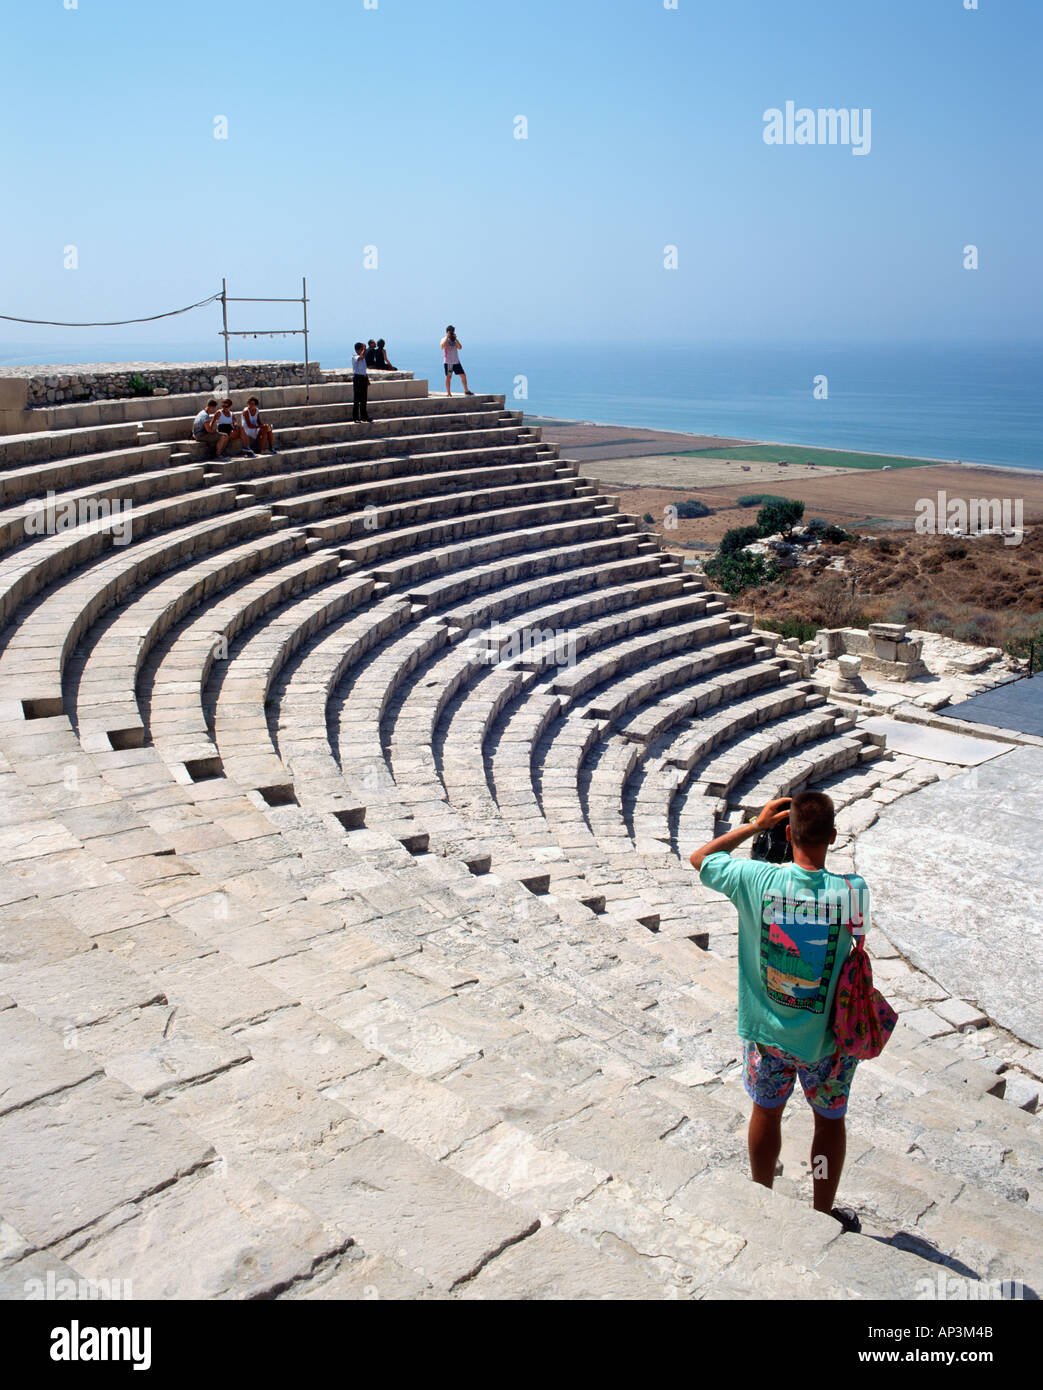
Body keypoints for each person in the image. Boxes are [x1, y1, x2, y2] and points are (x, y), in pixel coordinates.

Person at [690, 791, 870, 1232]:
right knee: (828, 1122)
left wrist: (755, 826)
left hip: (766, 1034)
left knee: (765, 1113)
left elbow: (700, 858)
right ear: (832, 836)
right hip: (825, 1042)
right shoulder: (853, 891)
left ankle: (761, 1192)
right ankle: (822, 1211)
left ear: (786, 832)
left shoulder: (754, 880)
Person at [441, 325, 473, 396]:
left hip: (456, 361)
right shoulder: (444, 339)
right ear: (447, 332)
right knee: (449, 377)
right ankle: (449, 393)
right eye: (450, 332)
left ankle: (466, 390)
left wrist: (456, 339)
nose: (452, 333)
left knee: (463, 375)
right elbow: (442, 346)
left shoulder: (454, 340)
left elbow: (460, 347)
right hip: (448, 362)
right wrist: (447, 337)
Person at [351, 342, 372, 423]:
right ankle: (355, 417)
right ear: (358, 350)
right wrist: (363, 349)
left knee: (364, 399)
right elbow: (360, 357)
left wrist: (367, 379)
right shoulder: (354, 357)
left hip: (363, 378)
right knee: (357, 399)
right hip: (357, 379)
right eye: (362, 349)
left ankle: (364, 417)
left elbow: (363, 370)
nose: (364, 350)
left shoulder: (363, 359)